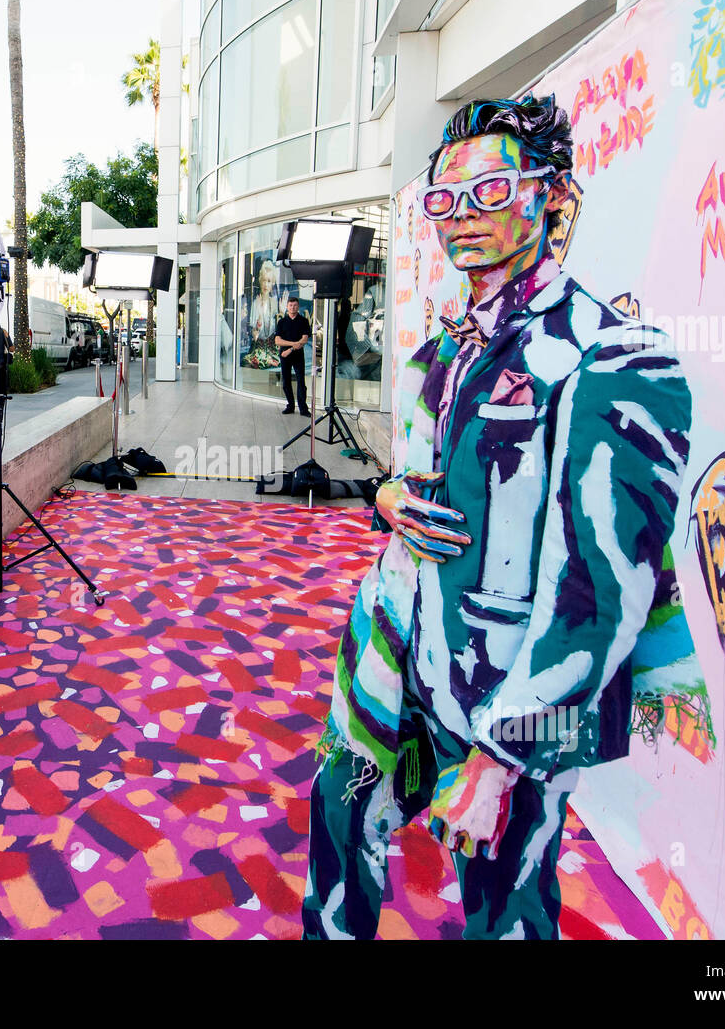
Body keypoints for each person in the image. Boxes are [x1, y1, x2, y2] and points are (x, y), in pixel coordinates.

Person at [304, 95, 693, 939]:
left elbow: (601, 594)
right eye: (444, 199)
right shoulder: (444, 346)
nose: (461, 218)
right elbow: (419, 477)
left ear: (550, 195)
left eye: (490, 191)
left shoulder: (614, 355)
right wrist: (386, 499)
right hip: (396, 661)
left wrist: (504, 754)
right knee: (337, 817)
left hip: (510, 695)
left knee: (505, 907)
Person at [272, 296, 311, 415]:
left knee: (301, 382)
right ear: (287, 307)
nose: (293, 307)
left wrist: (289, 349)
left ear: (298, 307)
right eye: (290, 305)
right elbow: (277, 341)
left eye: (295, 305)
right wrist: (294, 344)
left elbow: (304, 340)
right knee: (286, 382)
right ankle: (290, 406)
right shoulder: (282, 322)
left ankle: (303, 409)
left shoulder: (303, 321)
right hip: (284, 356)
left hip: (297, 356)